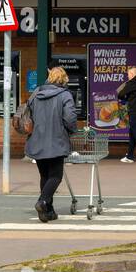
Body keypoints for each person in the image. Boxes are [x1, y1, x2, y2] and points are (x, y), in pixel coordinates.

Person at [24, 66, 78, 222]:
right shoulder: (65, 95)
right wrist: (72, 130)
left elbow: (28, 114)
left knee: (45, 176)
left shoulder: (36, 93)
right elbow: (69, 118)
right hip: (56, 140)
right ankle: (42, 202)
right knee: (55, 176)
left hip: (37, 139)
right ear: (64, 79)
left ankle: (48, 211)